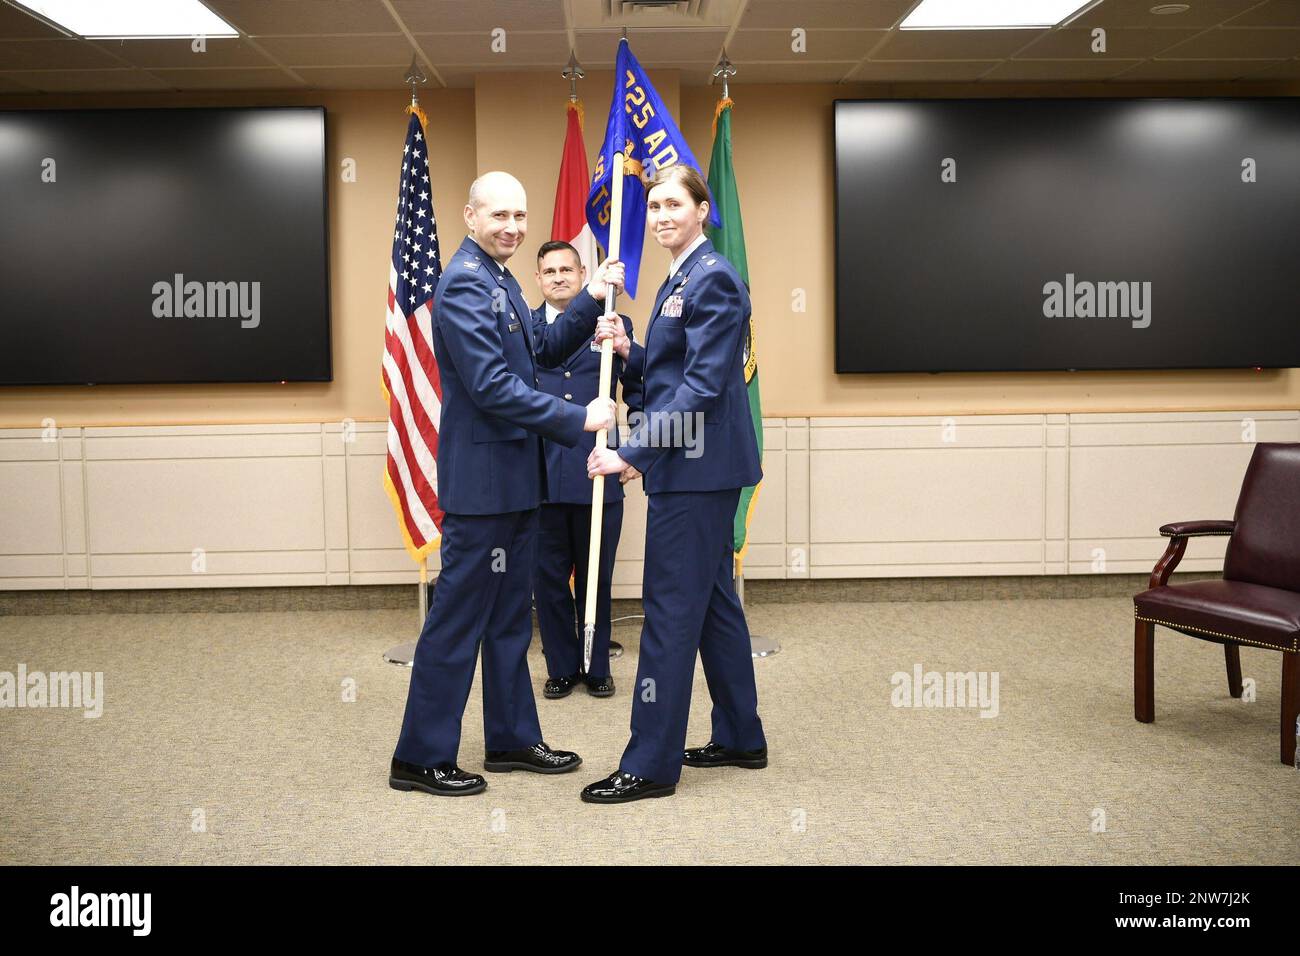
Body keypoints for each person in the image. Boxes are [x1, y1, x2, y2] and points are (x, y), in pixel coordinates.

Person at [390, 171, 623, 797]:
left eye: (519, 217)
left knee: (507, 625)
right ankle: (420, 756)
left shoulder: (500, 280)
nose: (513, 228)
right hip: (484, 487)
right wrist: (579, 418)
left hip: (518, 484)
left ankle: (512, 738)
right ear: (470, 216)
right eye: (499, 216)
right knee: (456, 620)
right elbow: (493, 386)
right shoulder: (465, 283)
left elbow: (542, 349)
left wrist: (590, 298)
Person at [580, 164, 767, 804]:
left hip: (696, 470)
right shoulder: (679, 276)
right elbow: (672, 372)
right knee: (713, 606)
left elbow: (704, 387)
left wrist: (633, 451)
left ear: (701, 210)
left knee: (666, 614)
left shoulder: (714, 279)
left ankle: (651, 764)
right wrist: (629, 350)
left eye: (673, 205)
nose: (660, 215)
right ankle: (742, 735)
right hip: (691, 463)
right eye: (654, 205)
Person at [530, 240, 642, 700]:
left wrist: (637, 448)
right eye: (549, 271)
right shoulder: (527, 329)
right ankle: (560, 666)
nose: (558, 277)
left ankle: (595, 665)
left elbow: (640, 387)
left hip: (597, 468)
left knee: (597, 573)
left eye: (567, 269)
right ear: (538, 279)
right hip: (539, 473)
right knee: (548, 578)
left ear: (582, 275)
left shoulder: (614, 322)